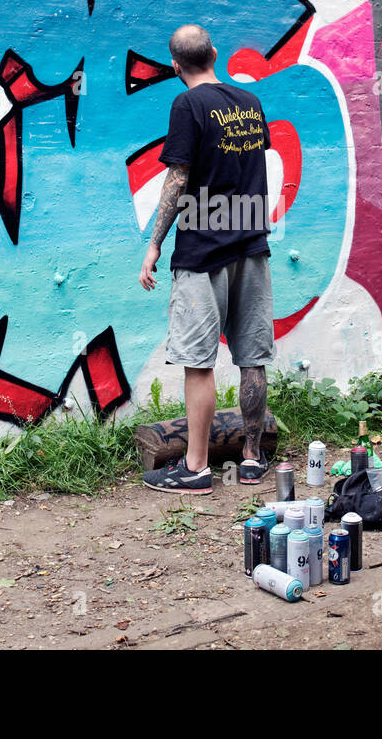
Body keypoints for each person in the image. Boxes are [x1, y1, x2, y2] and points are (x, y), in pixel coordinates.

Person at [139, 24, 275, 494]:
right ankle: (252, 459)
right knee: (252, 357)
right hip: (253, 245)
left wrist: (155, 242)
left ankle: (195, 467)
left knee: (199, 362)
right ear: (214, 54)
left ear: (176, 66)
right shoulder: (251, 103)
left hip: (202, 251)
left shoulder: (187, 104)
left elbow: (178, 178)